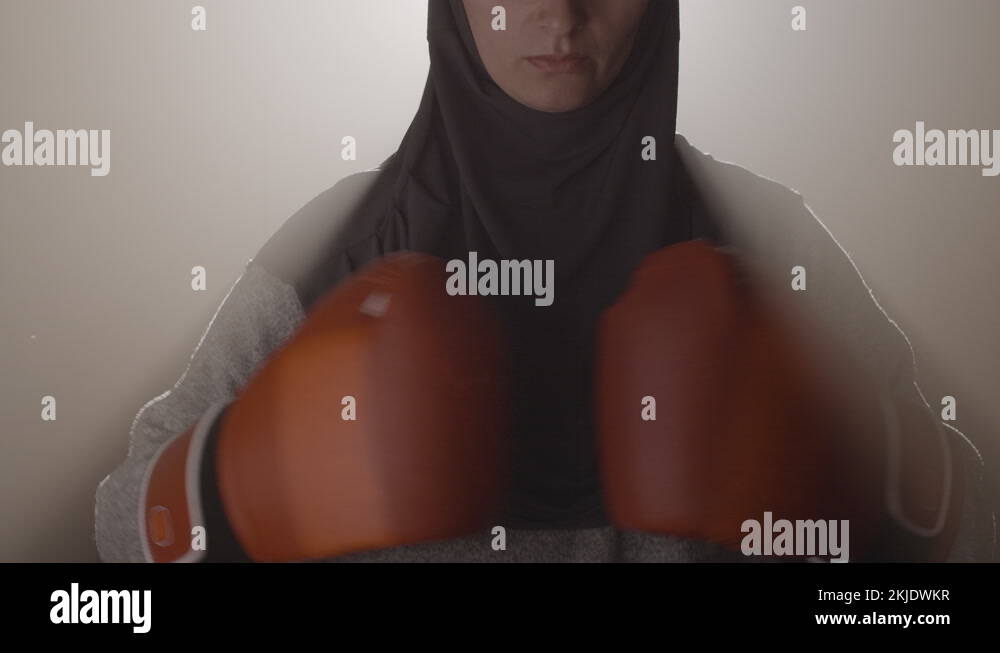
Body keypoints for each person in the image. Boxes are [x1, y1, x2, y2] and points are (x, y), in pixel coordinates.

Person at [95, 0, 995, 563]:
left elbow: (971, 532)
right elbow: (116, 543)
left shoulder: (767, 238)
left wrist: (854, 464)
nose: (559, 16)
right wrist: (247, 485)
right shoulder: (339, 243)